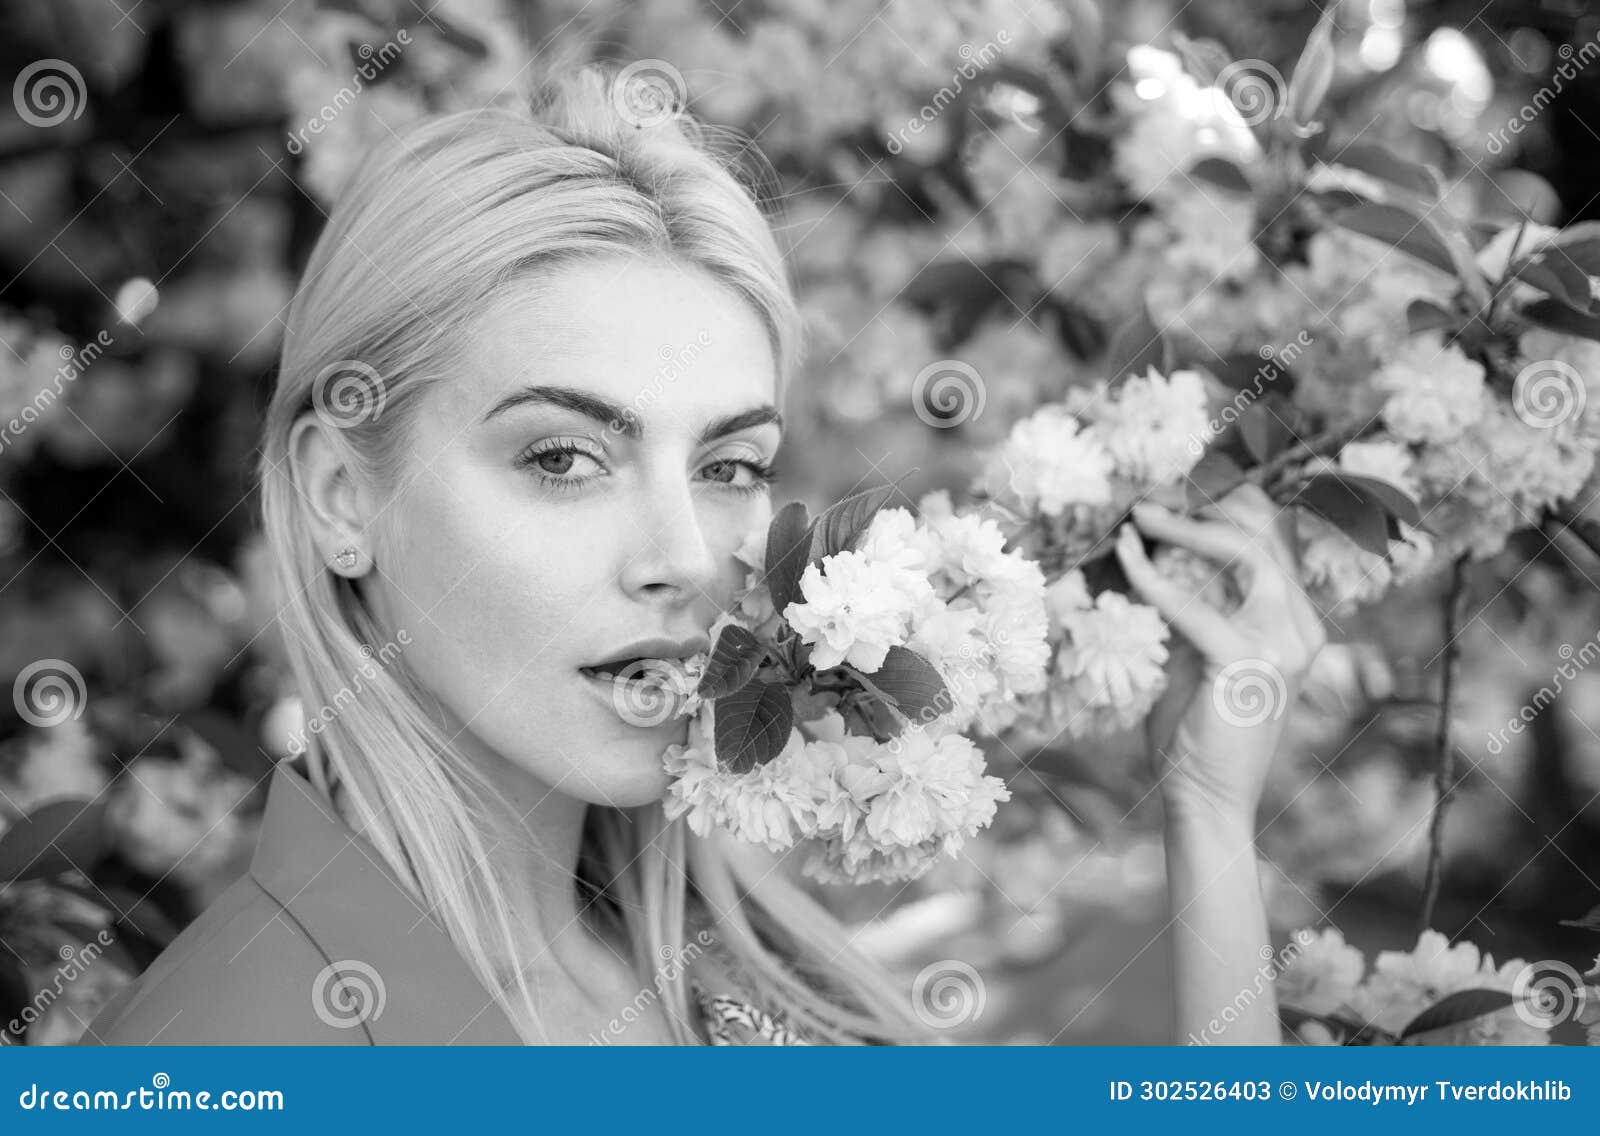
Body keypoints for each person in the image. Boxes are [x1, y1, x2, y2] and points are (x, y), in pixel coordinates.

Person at [79, 64, 1322, 1046]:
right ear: (343, 494)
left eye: (728, 467)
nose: (684, 558)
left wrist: (1207, 818)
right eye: (562, 457)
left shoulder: (741, 954)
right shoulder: (241, 1048)